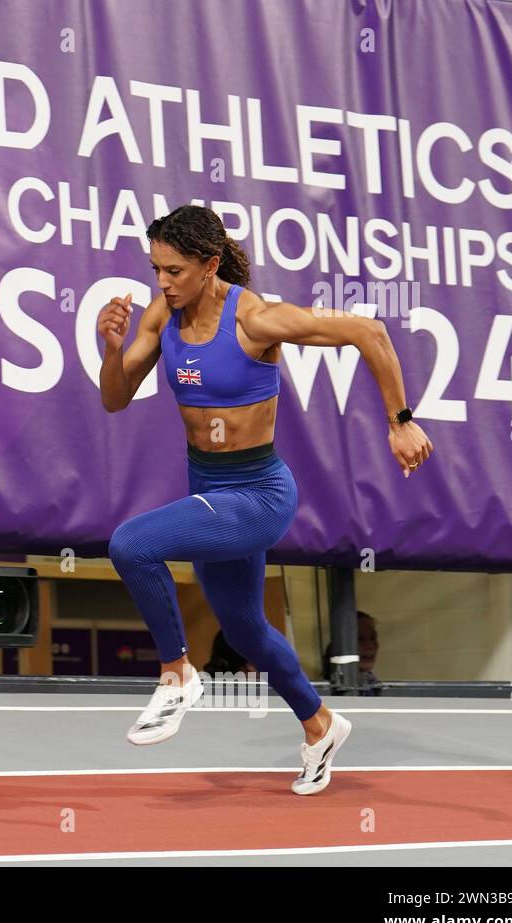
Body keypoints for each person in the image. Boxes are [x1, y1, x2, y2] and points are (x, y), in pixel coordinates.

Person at [99, 205, 432, 795]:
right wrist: (110, 347)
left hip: (256, 494)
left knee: (131, 544)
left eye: (174, 270)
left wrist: (400, 420)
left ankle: (178, 674)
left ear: (209, 264)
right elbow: (116, 399)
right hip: (208, 490)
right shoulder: (162, 315)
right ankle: (321, 726)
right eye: (155, 269)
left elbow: (369, 332)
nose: (162, 282)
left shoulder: (255, 320)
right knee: (247, 629)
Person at [323, 610, 384, 696]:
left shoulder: (374, 686)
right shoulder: (325, 692)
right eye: (359, 639)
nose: (370, 645)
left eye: (373, 638)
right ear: (340, 645)